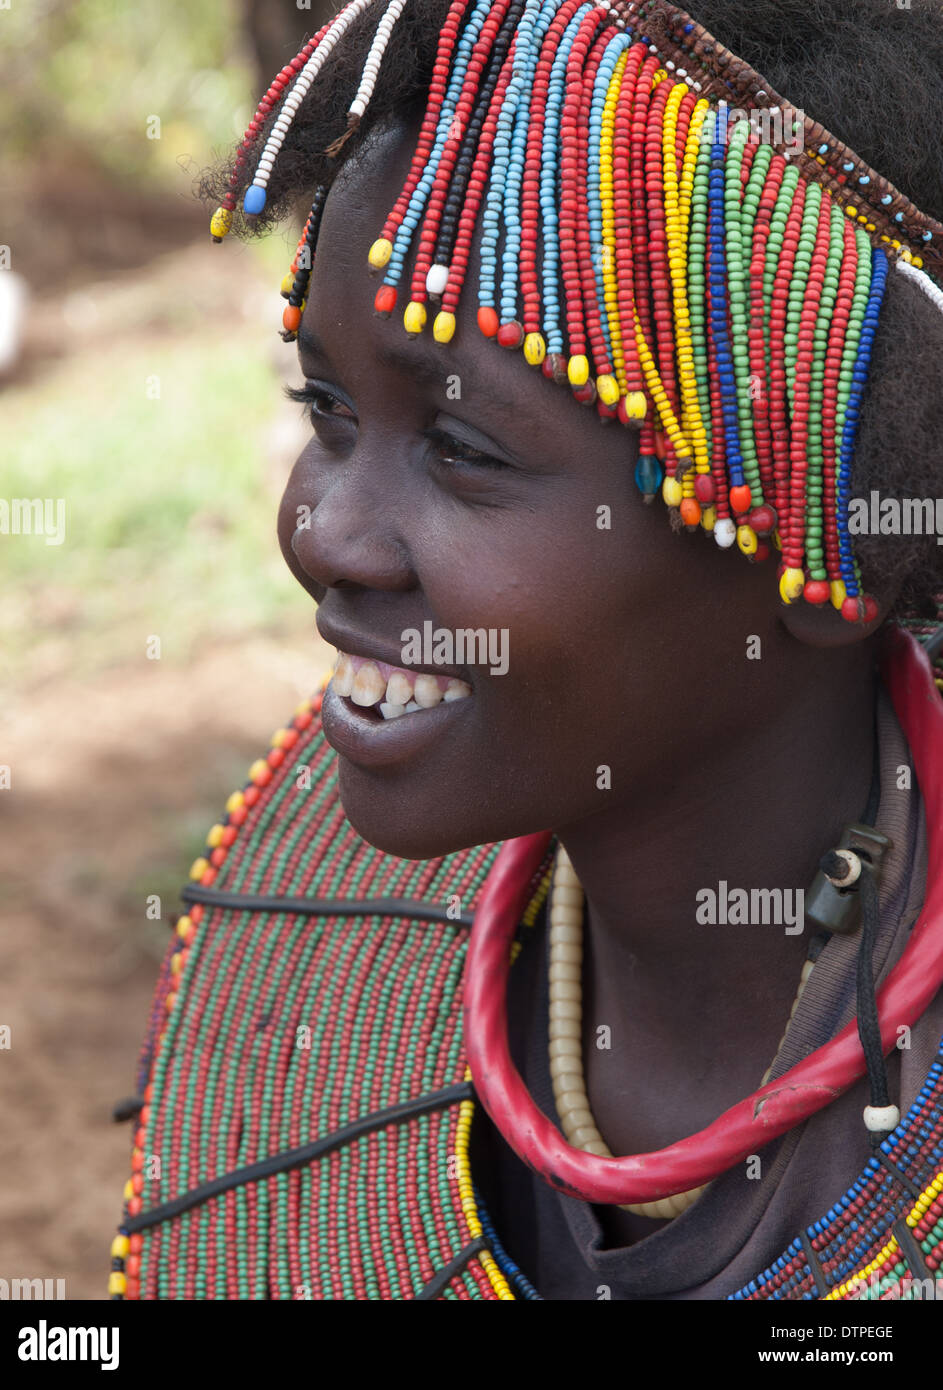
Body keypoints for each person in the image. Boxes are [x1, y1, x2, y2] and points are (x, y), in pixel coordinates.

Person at [110, 0, 943, 1300]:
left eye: (463, 451)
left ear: (829, 547)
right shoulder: (321, 1026)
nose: (323, 528)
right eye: (325, 410)